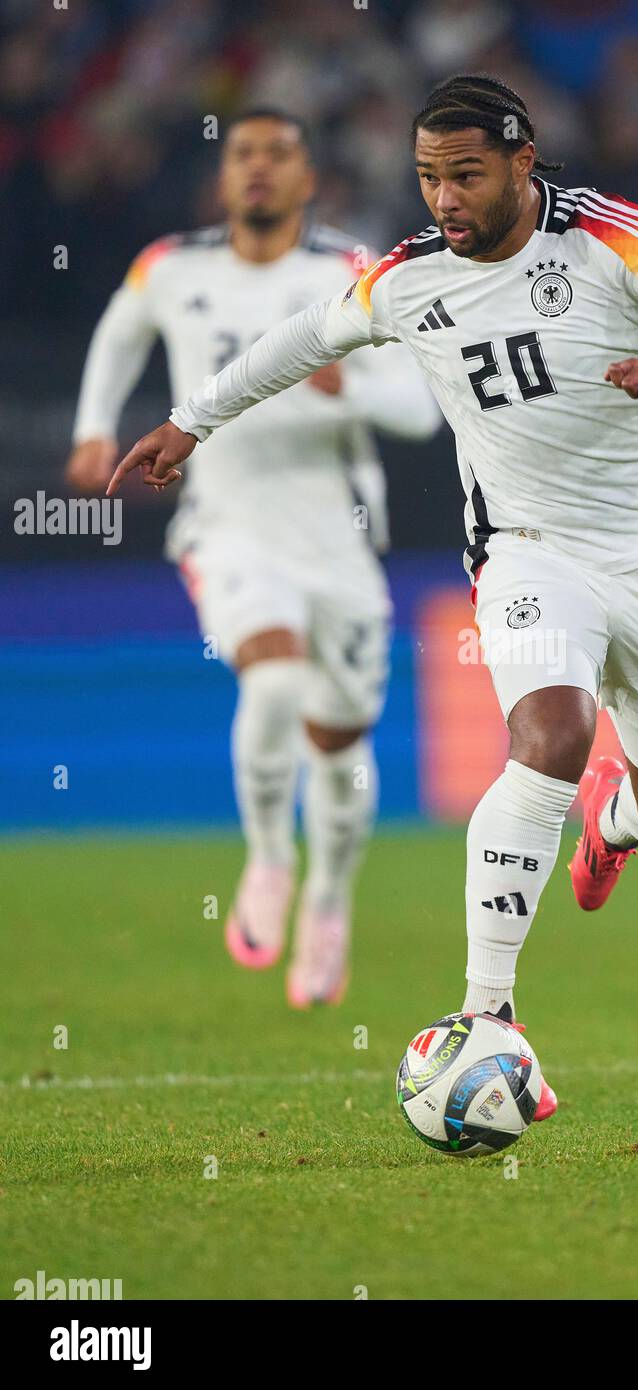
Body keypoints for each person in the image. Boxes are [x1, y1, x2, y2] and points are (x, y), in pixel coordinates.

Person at [107, 76, 638, 1117]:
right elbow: (301, 338)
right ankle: (487, 1012)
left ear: (524, 159)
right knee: (549, 731)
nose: (445, 198)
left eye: (465, 173)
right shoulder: (407, 278)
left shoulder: (608, 236)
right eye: (429, 177)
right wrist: (193, 420)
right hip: (525, 554)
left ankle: (613, 819)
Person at [69, 108, 441, 1007]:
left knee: (337, 738)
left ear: (309, 178)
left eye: (280, 154)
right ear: (224, 176)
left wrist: (347, 380)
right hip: (226, 522)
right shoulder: (171, 264)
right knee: (272, 683)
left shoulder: (352, 272)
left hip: (339, 532)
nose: (260, 170)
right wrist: (91, 429)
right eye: (244, 155)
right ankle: (271, 857)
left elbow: (422, 409)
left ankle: (329, 901)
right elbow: (122, 332)